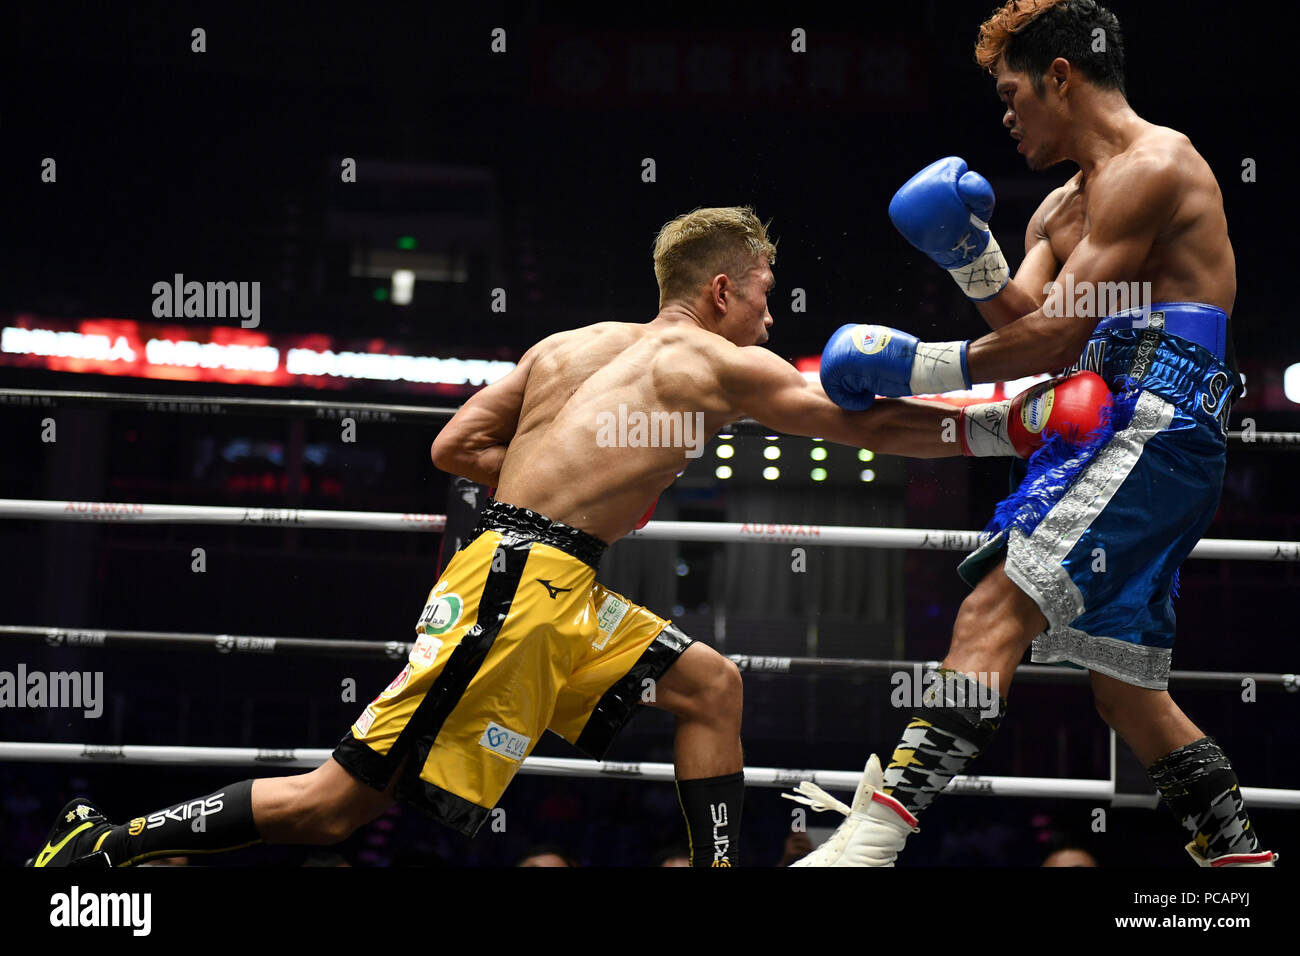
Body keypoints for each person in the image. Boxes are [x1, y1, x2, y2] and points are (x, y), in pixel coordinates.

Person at [30, 206, 1102, 870]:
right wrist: (1012, 419)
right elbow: (855, 420)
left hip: (542, 575)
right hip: (518, 589)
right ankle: (106, 843)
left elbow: (455, 445)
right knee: (331, 806)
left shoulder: (566, 345)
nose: (771, 320)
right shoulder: (709, 363)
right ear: (721, 289)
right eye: (766, 298)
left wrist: (571, 497)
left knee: (710, 685)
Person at [799, 0, 1276, 868]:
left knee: (991, 607)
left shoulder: (1155, 164)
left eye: (1014, 91)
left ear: (1062, 75)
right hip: (1107, 423)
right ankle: (1237, 863)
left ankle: (871, 840)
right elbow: (1030, 318)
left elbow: (1057, 336)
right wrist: (965, 254)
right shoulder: (1056, 211)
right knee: (1127, 689)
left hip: (1156, 418)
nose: (1006, 114)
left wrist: (915, 369)